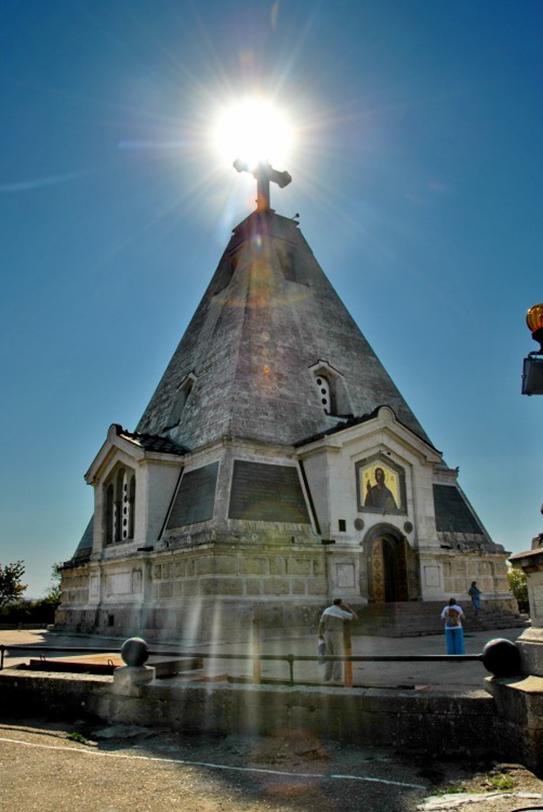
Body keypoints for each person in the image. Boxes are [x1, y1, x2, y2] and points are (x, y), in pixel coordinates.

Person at [318, 598, 358, 683]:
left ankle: (327, 677)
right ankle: (337, 677)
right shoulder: (340, 612)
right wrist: (348, 608)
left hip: (327, 633)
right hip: (337, 634)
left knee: (329, 655)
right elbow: (355, 618)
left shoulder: (326, 610)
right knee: (338, 655)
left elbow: (321, 623)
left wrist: (320, 634)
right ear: (340, 604)